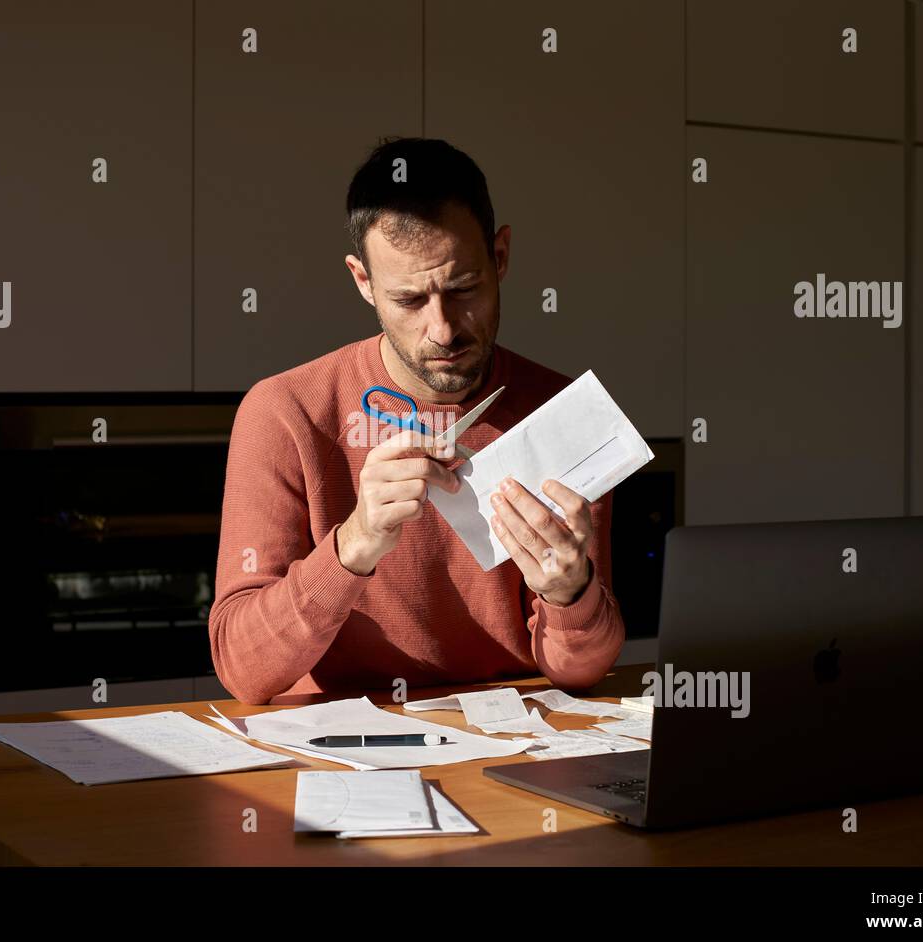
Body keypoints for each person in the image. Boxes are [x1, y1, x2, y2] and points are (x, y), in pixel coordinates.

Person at [208, 137, 624, 704]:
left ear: (501, 257)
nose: (443, 329)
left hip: (514, 743)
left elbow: (582, 673)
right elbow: (243, 669)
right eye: (408, 299)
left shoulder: (557, 413)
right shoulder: (285, 412)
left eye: (464, 289)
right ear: (363, 282)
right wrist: (354, 544)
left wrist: (571, 595)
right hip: (344, 756)